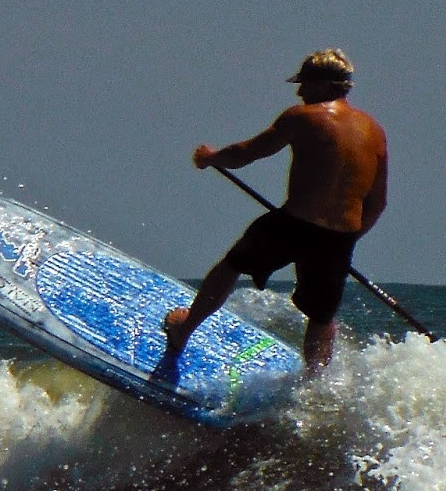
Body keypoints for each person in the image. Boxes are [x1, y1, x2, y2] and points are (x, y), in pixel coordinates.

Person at [162, 48, 388, 371]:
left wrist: (211, 158)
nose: (299, 92)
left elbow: (247, 153)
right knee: (321, 316)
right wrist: (346, 240)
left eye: (305, 84)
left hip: (294, 224)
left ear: (325, 85)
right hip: (340, 238)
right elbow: (377, 203)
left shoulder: (303, 117)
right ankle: (314, 385)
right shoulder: (375, 132)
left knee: (231, 265)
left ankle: (183, 330)